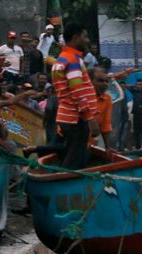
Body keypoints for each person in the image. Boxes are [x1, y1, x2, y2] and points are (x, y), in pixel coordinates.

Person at [50, 22, 100, 170]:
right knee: (74, 162)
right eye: (85, 37)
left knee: (71, 156)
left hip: (68, 117)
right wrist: (90, 117)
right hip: (75, 118)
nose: (87, 40)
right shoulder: (72, 60)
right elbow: (77, 91)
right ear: (75, 38)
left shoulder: (64, 58)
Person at [89, 65, 113, 150]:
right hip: (66, 141)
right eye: (100, 81)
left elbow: (106, 124)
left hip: (88, 145)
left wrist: (108, 147)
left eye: (106, 81)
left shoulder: (107, 99)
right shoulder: (80, 95)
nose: (105, 84)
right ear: (89, 81)